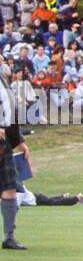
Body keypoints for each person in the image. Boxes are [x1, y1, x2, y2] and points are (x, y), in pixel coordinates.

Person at [0, 72, 30, 248]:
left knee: (10, 189)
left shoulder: (3, 81)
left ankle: (8, 237)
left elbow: (10, 112)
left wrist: (20, 142)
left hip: (4, 144)